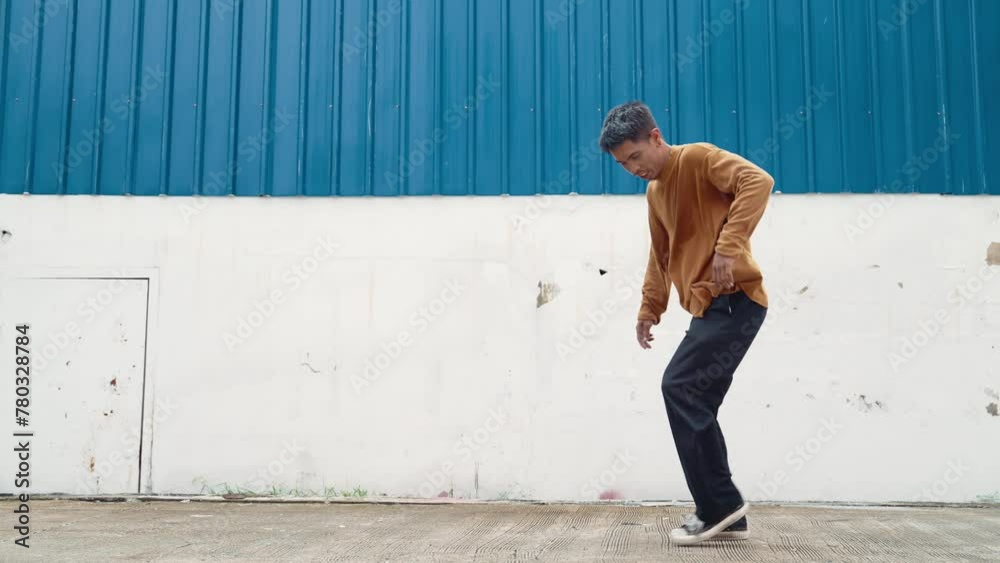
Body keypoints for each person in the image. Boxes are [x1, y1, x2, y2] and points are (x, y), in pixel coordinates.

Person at [599, 101, 773, 545]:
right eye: (623, 164)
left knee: (680, 387)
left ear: (655, 137)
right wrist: (648, 309)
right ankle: (726, 512)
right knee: (695, 403)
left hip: (736, 301)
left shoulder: (696, 159)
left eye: (635, 156)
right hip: (709, 309)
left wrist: (729, 247)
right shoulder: (656, 193)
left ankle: (719, 506)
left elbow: (758, 181)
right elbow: (661, 256)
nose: (632, 168)